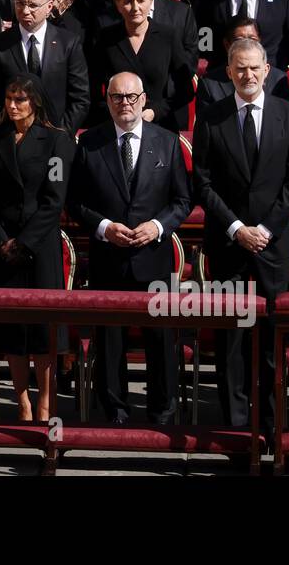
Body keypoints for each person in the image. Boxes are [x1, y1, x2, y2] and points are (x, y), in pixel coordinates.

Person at [193, 36, 289, 433]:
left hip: (272, 247)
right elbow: (203, 183)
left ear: (266, 70)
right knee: (232, 343)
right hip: (228, 245)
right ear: (228, 72)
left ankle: (271, 427)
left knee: (271, 342)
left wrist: (263, 229)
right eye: (238, 68)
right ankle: (236, 428)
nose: (247, 74)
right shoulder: (210, 117)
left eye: (253, 67)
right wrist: (237, 228)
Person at [71, 65, 193, 427]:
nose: (124, 103)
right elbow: (75, 203)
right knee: (110, 340)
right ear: (106, 101)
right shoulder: (90, 143)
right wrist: (104, 228)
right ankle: (115, 412)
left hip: (152, 258)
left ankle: (162, 412)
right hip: (108, 256)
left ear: (144, 100)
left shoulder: (167, 142)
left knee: (160, 338)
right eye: (116, 97)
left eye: (131, 96)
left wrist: (157, 227)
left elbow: (183, 201)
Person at [0, 73, 75, 421]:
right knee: (11, 328)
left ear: (35, 102)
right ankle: (22, 401)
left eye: (20, 99)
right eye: (8, 98)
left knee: (41, 330)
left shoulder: (58, 141)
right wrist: (2, 239)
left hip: (39, 247)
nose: (13, 105)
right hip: (3, 246)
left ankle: (46, 400)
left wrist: (26, 242)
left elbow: (55, 198)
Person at [0, 0, 91, 131]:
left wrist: (60, 135)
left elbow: (80, 99)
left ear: (49, 6)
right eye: (20, 3)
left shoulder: (68, 43)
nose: (25, 11)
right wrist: (4, 131)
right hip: (12, 139)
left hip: (56, 137)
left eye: (33, 5)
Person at [91, 0, 194, 129]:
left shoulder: (168, 36)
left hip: (160, 126)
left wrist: (156, 111)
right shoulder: (106, 39)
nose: (135, 8)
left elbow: (185, 89)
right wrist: (116, 113)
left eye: (141, 0)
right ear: (118, 5)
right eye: (128, 1)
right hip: (116, 126)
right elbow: (93, 87)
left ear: (151, 1)